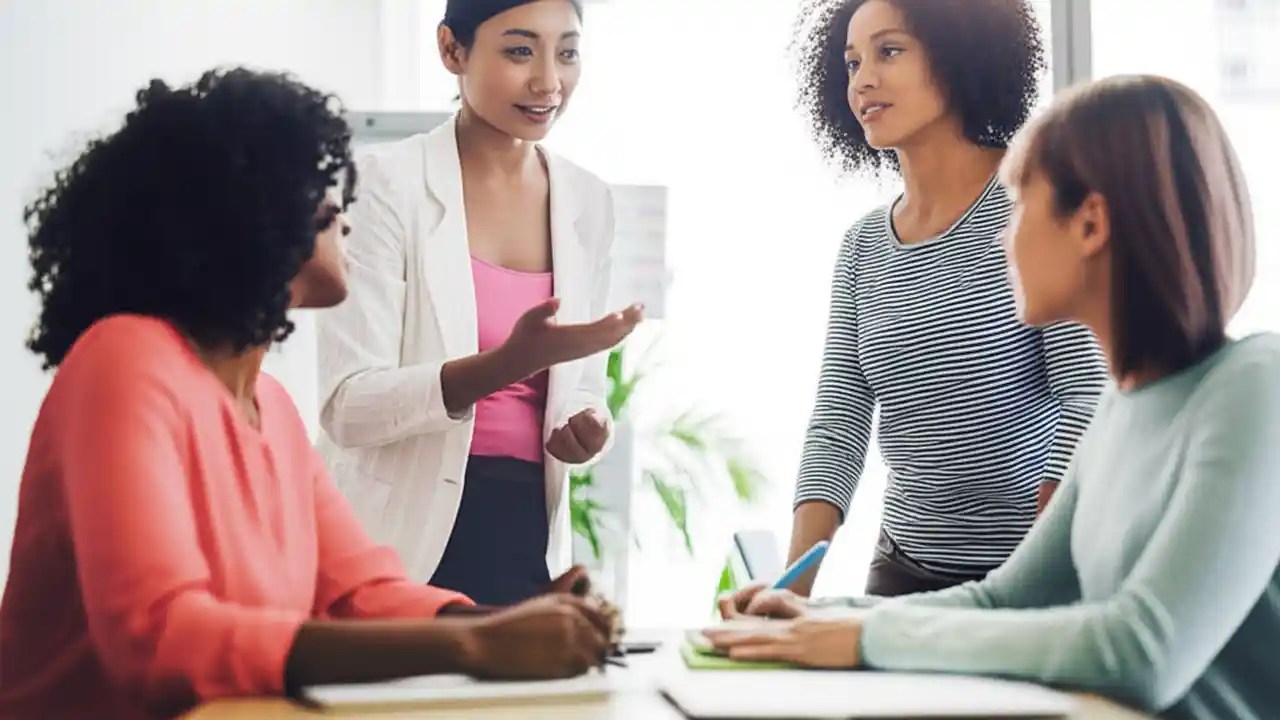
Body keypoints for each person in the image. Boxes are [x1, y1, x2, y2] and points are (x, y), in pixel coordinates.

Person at [0, 68, 614, 720]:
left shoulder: (270, 407)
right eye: (316, 186)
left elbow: (357, 591)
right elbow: (159, 635)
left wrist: (517, 620)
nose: (340, 211)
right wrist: (468, 643)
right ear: (232, 214)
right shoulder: (124, 361)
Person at [706, 74, 1280, 719]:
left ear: (1089, 223)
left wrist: (862, 635)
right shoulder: (1124, 405)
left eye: (1017, 203)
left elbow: (1141, 649)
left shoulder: (1256, 385)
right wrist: (814, 613)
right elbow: (1002, 600)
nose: (1002, 235)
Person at [722, 0, 1106, 610]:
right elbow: (839, 421)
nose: (863, 79)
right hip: (905, 567)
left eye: (889, 51)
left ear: (960, 58)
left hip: (1030, 569)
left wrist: (1043, 563)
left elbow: (1087, 394)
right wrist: (789, 592)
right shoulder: (863, 244)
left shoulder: (1032, 211)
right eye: (851, 62)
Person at [316, 0, 641, 607]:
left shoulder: (587, 200)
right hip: (402, 529)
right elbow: (348, 405)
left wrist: (590, 425)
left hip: (524, 529)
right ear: (452, 51)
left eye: (567, 52)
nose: (549, 80)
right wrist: (505, 364)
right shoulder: (387, 187)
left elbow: (580, 387)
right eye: (520, 51)